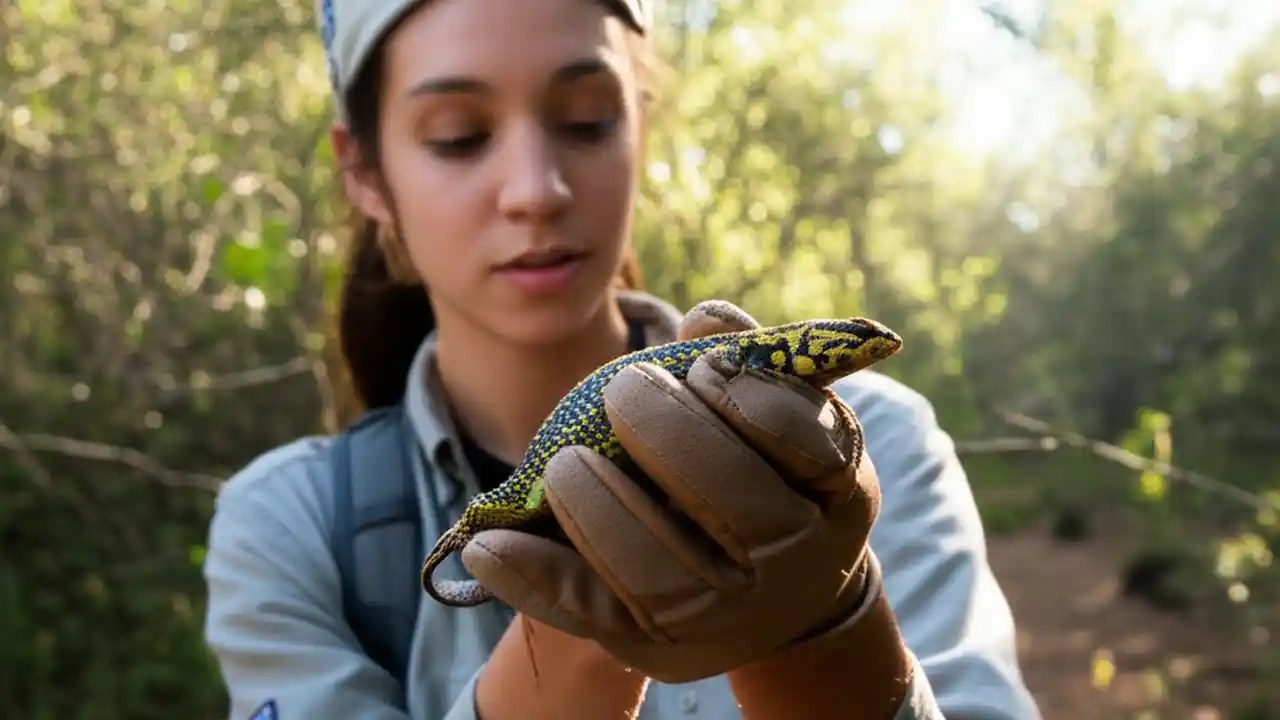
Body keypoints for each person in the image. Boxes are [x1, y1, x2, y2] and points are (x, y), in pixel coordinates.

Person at [201, 0, 1043, 718]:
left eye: (585, 121)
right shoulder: (287, 526)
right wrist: (559, 667)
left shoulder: (871, 441)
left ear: (643, 121)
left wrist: (833, 643)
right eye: (459, 136)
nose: (535, 189)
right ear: (366, 173)